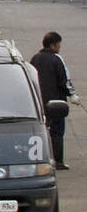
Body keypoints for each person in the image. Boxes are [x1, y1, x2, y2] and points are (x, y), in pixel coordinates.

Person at [30, 31, 79, 170]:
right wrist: (72, 95)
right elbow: (64, 80)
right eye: (58, 44)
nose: (59, 47)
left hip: (39, 102)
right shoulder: (57, 59)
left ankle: (40, 159)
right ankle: (58, 161)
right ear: (52, 45)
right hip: (56, 104)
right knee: (57, 132)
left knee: (41, 131)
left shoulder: (35, 58)